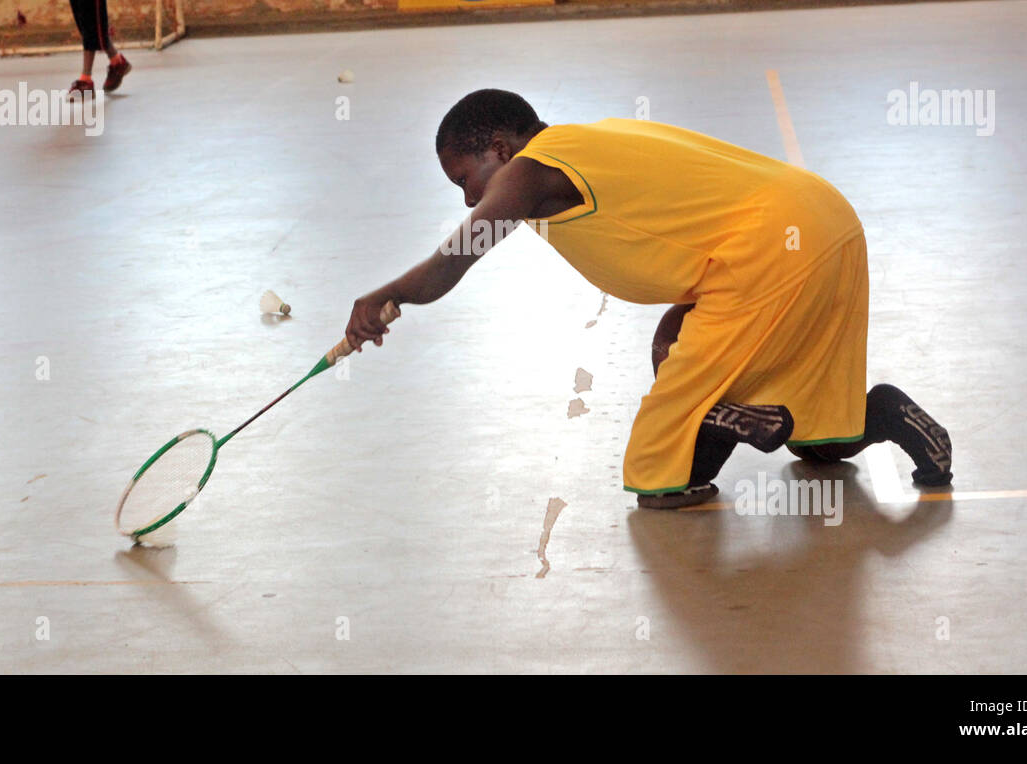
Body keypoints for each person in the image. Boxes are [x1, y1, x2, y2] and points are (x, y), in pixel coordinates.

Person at [343, 89, 953, 509]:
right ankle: (883, 413)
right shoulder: (588, 141)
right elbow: (688, 222)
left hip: (770, 250)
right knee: (822, 439)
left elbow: (457, 257)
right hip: (823, 222)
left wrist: (386, 295)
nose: (468, 197)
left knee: (661, 478)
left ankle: (731, 412)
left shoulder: (528, 170)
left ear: (499, 149)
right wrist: (681, 312)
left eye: (464, 179)